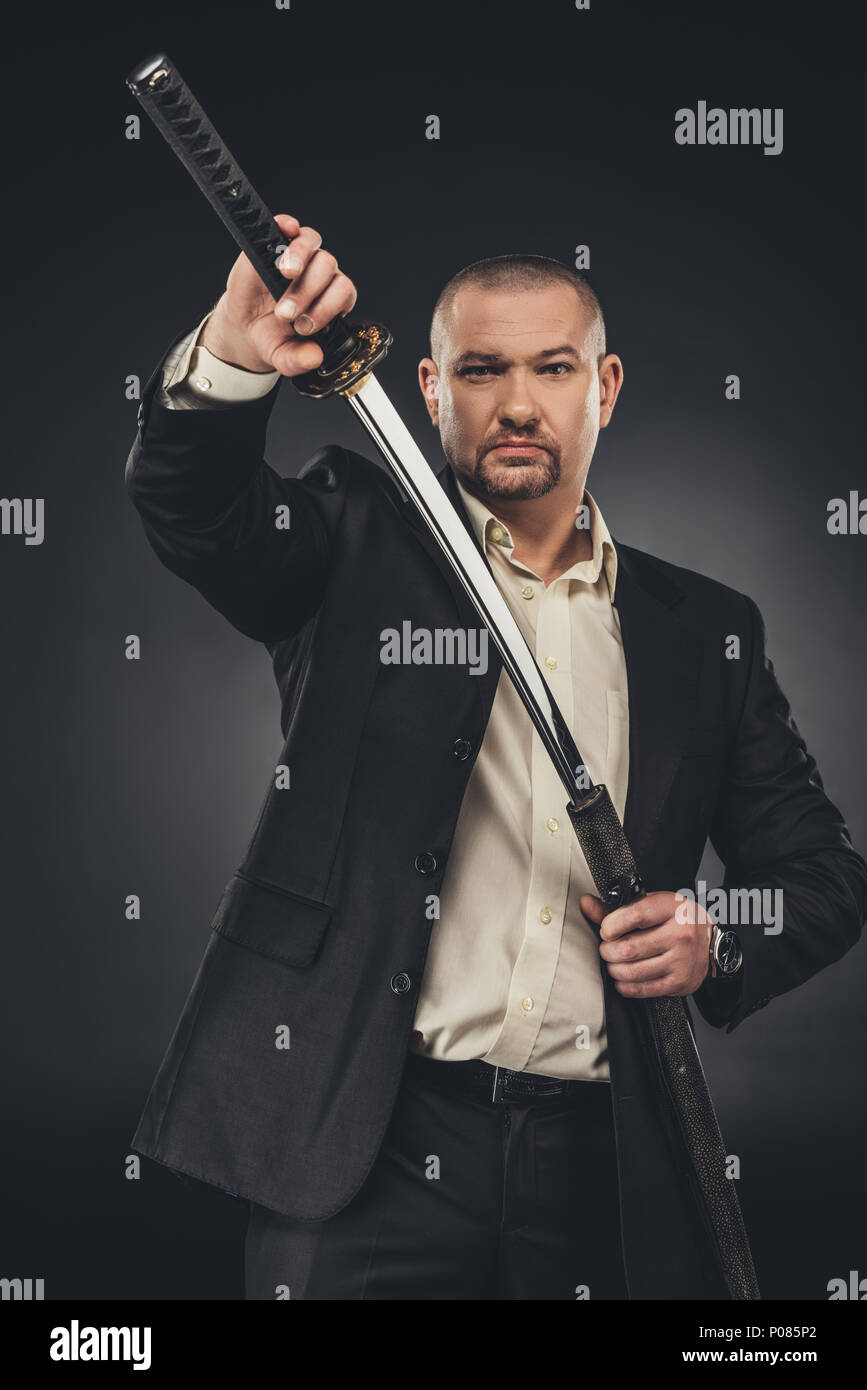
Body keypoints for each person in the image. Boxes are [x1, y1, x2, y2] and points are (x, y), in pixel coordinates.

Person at [126, 213, 867, 1300]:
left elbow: (826, 880)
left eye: (551, 367)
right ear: (429, 388)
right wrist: (234, 355)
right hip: (366, 1144)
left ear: (603, 386)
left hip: (603, 1159)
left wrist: (718, 937)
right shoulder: (354, 537)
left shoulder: (706, 628)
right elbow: (191, 510)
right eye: (481, 369)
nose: (517, 402)